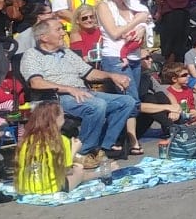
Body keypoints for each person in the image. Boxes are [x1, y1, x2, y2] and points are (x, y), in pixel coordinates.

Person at [19, 19, 139, 167]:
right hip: (56, 97)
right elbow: (36, 82)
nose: (64, 33)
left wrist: (112, 76)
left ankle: (102, 147)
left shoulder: (66, 52)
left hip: (82, 92)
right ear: (44, 37)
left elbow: (89, 73)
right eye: (59, 30)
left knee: (126, 102)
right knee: (97, 106)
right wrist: (68, 88)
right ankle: (82, 151)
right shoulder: (32, 55)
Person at [15, 103, 106, 195]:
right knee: (79, 170)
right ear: (56, 118)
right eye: (63, 114)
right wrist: (74, 150)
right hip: (51, 189)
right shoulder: (61, 140)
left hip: (26, 188)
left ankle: (100, 173)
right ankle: (101, 173)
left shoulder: (26, 140)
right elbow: (66, 169)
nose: (64, 117)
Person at [96, 0, 151, 108]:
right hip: (115, 56)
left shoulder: (131, 3)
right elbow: (114, 33)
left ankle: (128, 128)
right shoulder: (103, 6)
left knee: (130, 98)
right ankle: (128, 129)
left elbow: (147, 20)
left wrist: (142, 28)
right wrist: (137, 21)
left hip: (134, 55)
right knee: (131, 99)